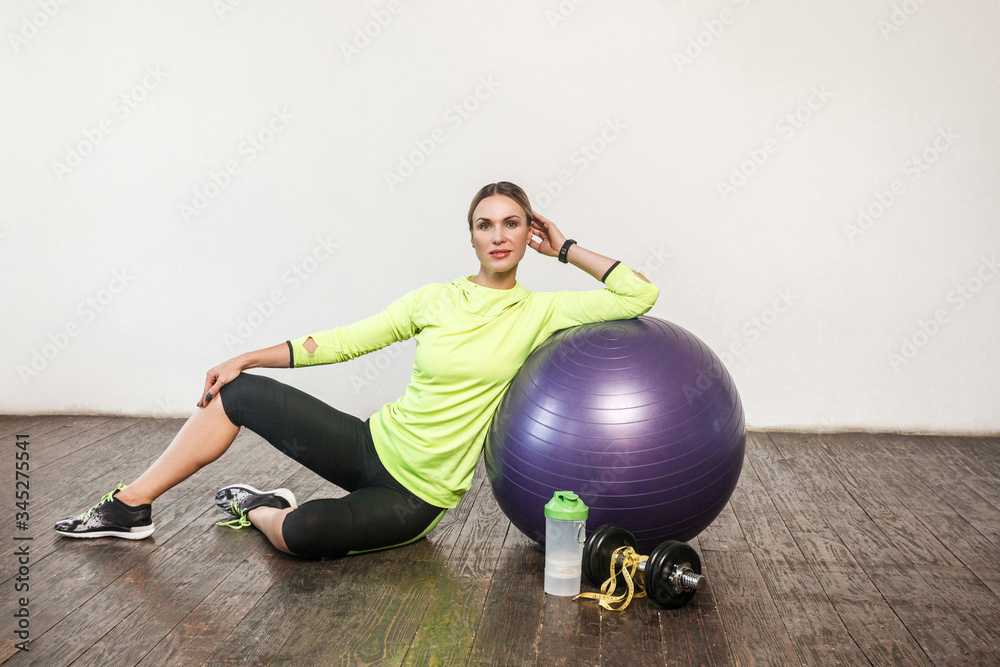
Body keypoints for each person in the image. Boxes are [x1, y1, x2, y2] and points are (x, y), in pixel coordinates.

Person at [54, 181, 659, 558]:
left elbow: (638, 294)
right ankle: (129, 506)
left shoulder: (542, 311)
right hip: (370, 444)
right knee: (238, 391)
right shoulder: (433, 300)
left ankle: (261, 507)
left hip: (416, 496)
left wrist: (568, 248)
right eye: (485, 224)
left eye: (513, 223)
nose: (498, 235)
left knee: (300, 537)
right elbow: (342, 342)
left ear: (530, 233)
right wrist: (247, 355)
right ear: (470, 237)